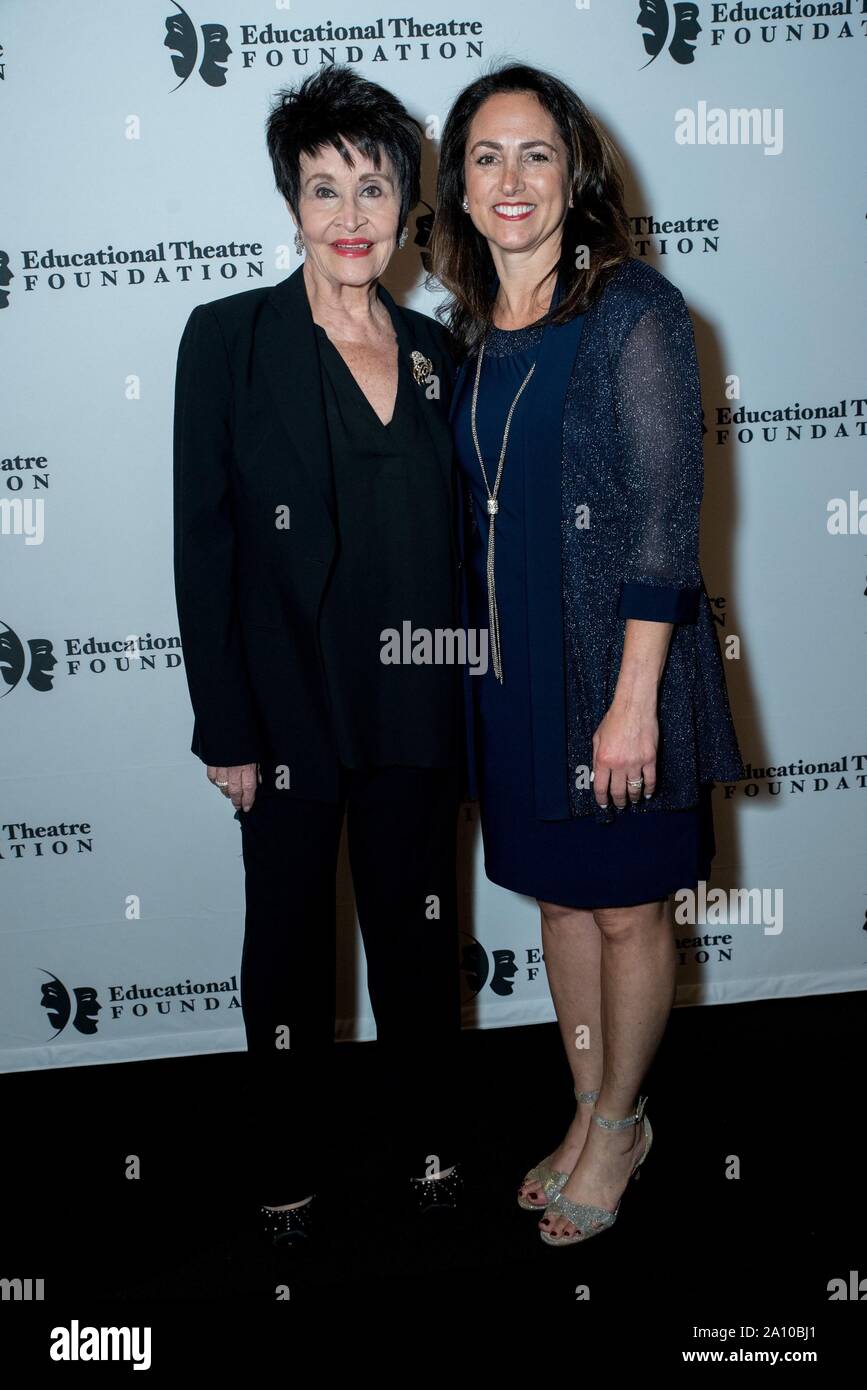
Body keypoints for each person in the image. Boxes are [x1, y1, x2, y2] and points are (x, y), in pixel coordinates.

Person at [430, 63, 744, 1246]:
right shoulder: (470, 338)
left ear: (576, 175)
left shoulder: (635, 311)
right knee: (562, 906)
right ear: (458, 189)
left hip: (621, 677)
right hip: (516, 681)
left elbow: (668, 518)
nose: (512, 179)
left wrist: (633, 701)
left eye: (537, 154)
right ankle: (584, 1103)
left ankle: (622, 1123)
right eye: (487, 157)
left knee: (626, 914)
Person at [173, 65, 467, 1246]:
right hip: (289, 710)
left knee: (417, 938)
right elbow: (204, 547)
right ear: (290, 203)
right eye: (324, 188)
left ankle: (428, 1143)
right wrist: (226, 725)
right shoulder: (227, 340)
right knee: (287, 949)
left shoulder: (445, 351)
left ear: (408, 205)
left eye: (375, 188)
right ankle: (286, 1160)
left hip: (419, 712)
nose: (352, 217)